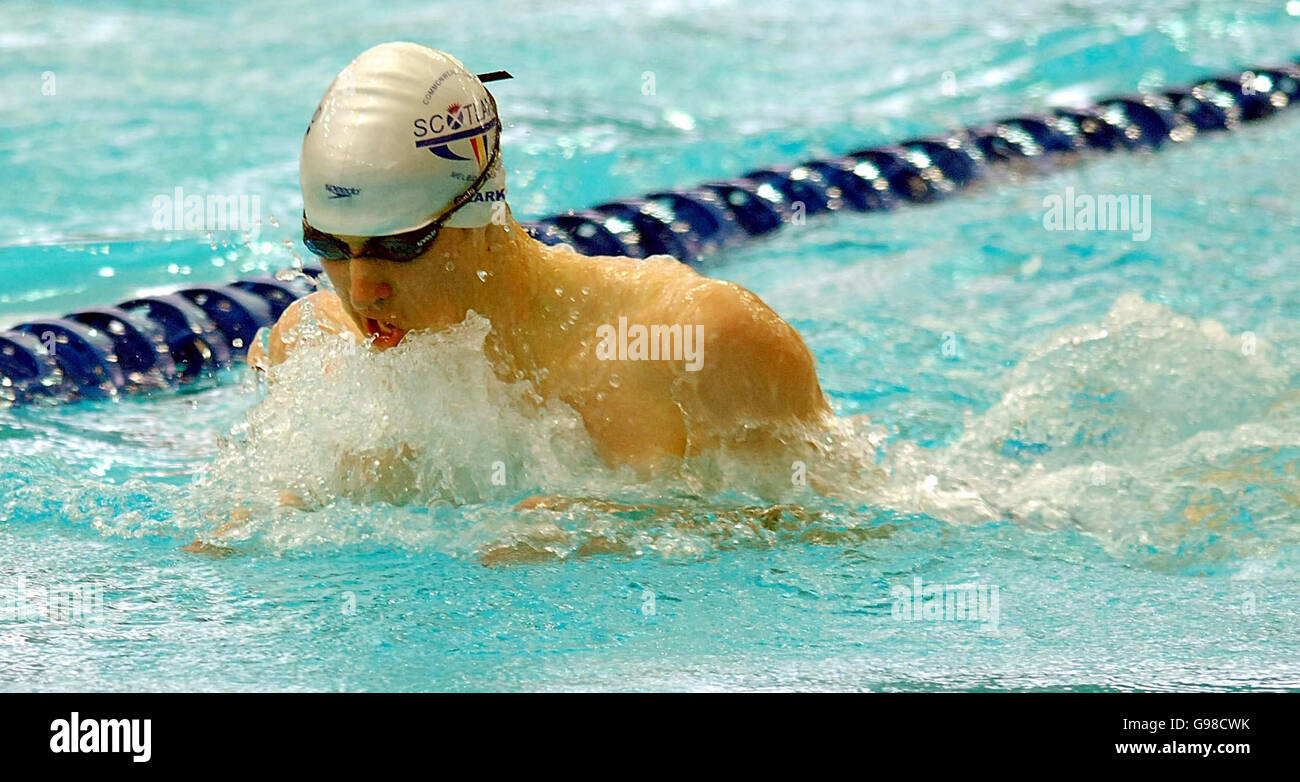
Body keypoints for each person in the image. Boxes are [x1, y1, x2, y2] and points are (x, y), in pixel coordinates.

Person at [252, 41, 829, 477]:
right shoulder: (314, 352)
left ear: (478, 211)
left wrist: (628, 528)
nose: (360, 292)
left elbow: (841, 529)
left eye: (399, 247)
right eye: (330, 247)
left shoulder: (693, 342)